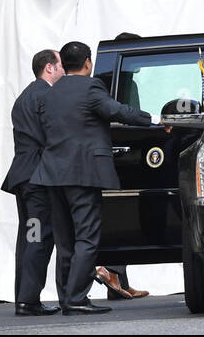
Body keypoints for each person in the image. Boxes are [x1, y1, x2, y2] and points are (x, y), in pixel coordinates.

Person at [32, 41, 155, 315]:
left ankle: (66, 297)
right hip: (83, 173)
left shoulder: (48, 93)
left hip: (52, 174)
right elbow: (117, 111)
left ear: (63, 64)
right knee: (87, 237)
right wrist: (154, 120)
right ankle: (77, 298)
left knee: (65, 241)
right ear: (87, 63)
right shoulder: (90, 87)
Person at [2, 49, 64, 316]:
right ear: (49, 68)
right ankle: (28, 300)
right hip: (38, 180)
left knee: (28, 237)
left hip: (24, 178)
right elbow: (52, 135)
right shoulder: (46, 96)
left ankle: (24, 298)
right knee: (38, 237)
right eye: (60, 66)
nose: (64, 71)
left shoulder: (24, 96)